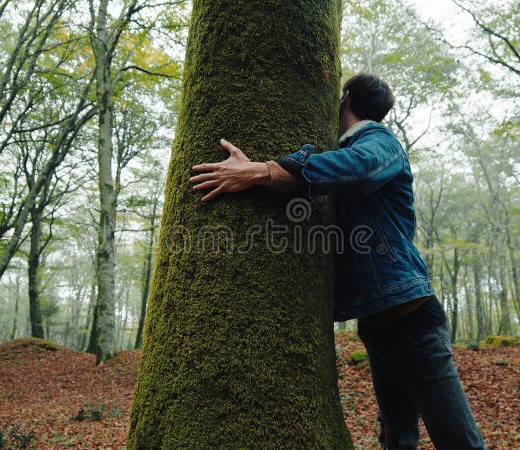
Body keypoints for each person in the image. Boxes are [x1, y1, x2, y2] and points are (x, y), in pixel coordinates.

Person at [189, 73, 486, 450]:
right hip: (379, 324)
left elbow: (359, 169)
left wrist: (261, 170)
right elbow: (321, 182)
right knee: (396, 436)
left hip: (412, 320)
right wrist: (269, 176)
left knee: (458, 441)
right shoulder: (342, 154)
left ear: (345, 99)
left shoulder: (378, 139)